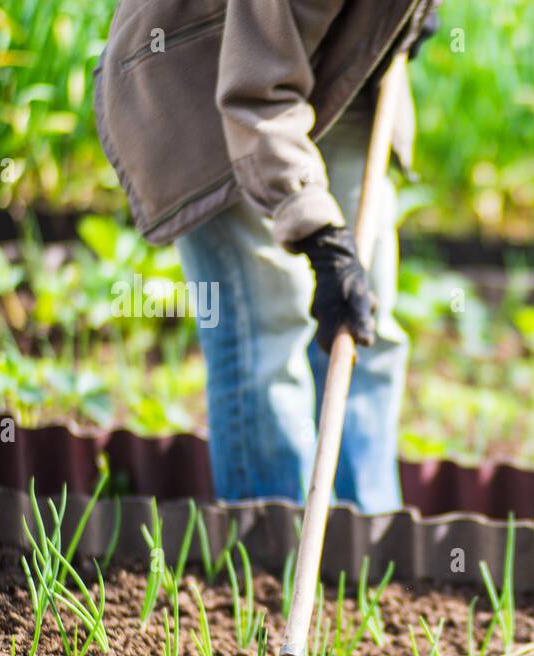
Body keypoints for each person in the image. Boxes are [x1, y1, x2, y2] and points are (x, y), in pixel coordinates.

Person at [95, 0, 440, 513]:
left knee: (364, 324)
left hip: (328, 70)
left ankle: (366, 545)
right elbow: (255, 96)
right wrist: (320, 237)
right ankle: (271, 565)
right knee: (267, 333)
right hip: (210, 89)